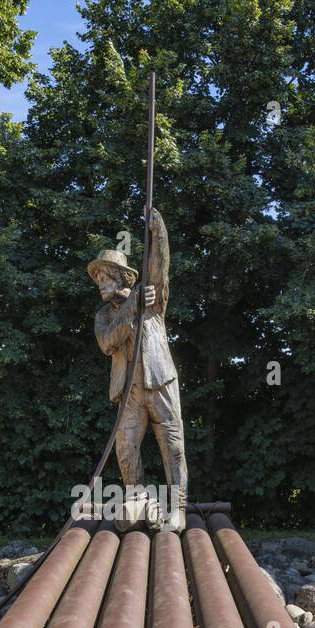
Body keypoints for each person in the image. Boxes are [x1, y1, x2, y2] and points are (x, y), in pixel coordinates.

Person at [87, 207, 188, 526]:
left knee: (173, 446)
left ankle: (178, 509)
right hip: (129, 392)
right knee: (126, 448)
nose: (100, 284)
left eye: (105, 278)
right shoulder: (105, 315)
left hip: (160, 384)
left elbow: (159, 270)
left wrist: (159, 233)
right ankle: (138, 501)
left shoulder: (152, 301)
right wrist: (131, 306)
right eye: (98, 279)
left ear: (121, 278)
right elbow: (108, 343)